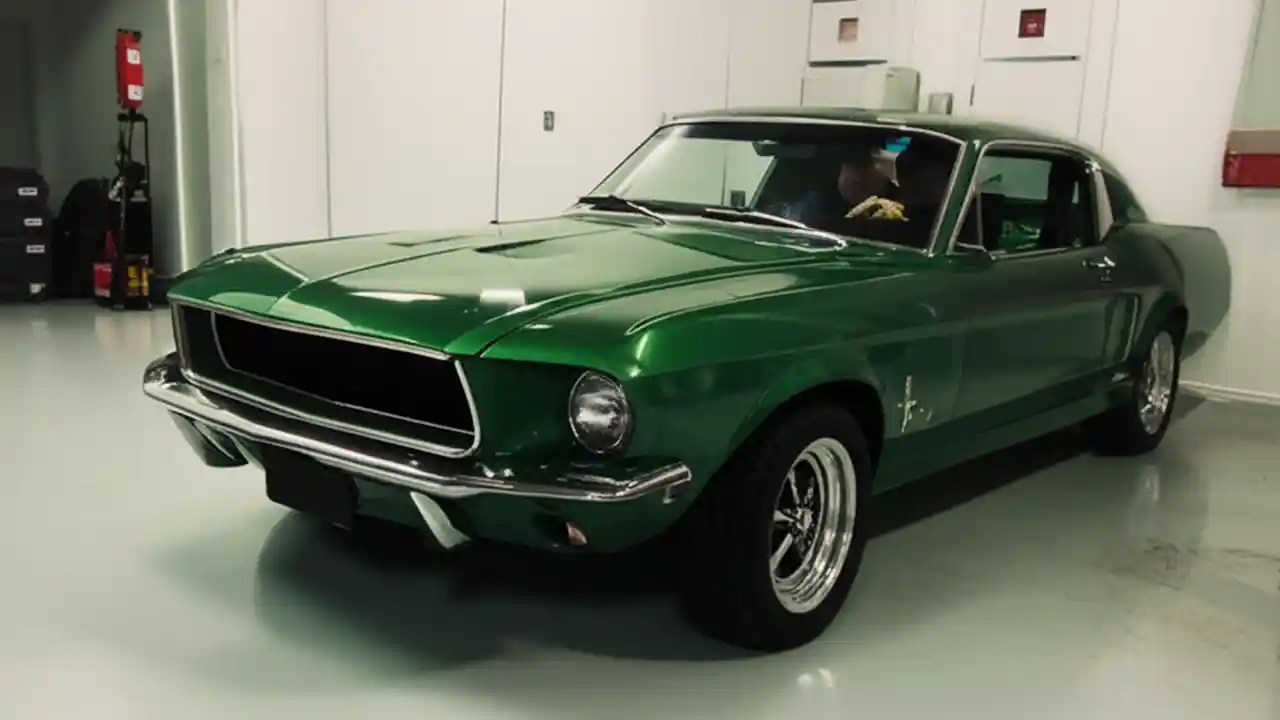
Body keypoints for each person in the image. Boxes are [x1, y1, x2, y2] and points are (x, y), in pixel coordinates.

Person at [771, 143, 897, 226]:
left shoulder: (901, 209)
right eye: (851, 164)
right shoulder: (814, 206)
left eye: (866, 165)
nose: (857, 177)